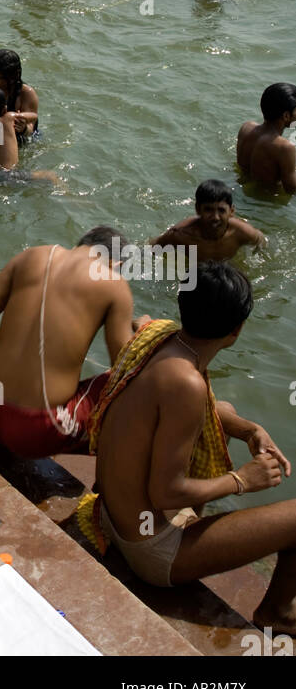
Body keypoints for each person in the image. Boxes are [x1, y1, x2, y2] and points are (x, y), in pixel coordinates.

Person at [84, 262, 296, 631]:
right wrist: (243, 480)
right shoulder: (187, 385)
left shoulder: (161, 336)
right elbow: (165, 491)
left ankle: (194, 525)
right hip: (148, 548)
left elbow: (207, 411)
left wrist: (249, 430)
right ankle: (275, 614)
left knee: (224, 411)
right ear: (236, 331)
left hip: (112, 516)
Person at [0, 228, 136, 454]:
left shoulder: (31, 255)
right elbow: (124, 371)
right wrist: (144, 333)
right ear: (116, 264)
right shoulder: (114, 284)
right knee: (122, 381)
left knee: (4, 339)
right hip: (36, 431)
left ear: (81, 244)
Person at [151, 179, 265, 264]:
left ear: (231, 211)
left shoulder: (242, 232)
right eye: (208, 210)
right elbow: (151, 249)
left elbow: (261, 242)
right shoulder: (181, 235)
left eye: (221, 210)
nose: (215, 217)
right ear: (197, 209)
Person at [0, 87, 57, 182]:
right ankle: (69, 195)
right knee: (50, 175)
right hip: (10, 175)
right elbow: (34, 116)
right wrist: (20, 116)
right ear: (5, 109)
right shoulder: (9, 118)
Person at [236, 83, 296, 194]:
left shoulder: (246, 127)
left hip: (240, 188)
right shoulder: (285, 147)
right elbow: (291, 189)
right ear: (286, 116)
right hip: (266, 201)